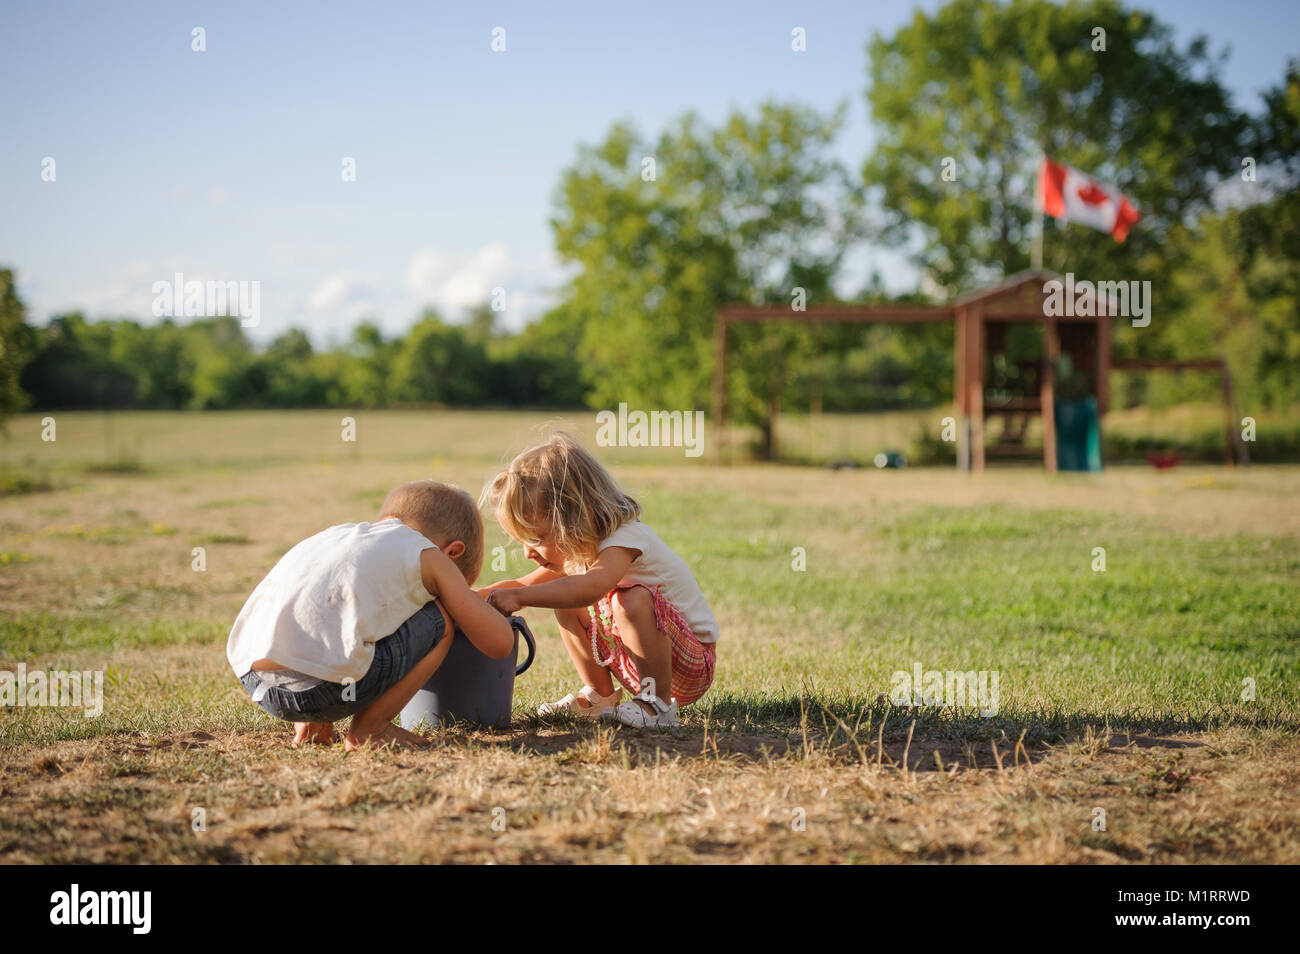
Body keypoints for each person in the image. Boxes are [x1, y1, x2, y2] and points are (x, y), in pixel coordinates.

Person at [227, 480, 512, 749]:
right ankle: (372, 728)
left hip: (257, 682)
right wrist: (462, 602)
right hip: (323, 690)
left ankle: (313, 724)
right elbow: (500, 643)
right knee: (442, 621)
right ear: (453, 552)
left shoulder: (337, 536)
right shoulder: (428, 553)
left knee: (338, 614)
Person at [480, 433, 718, 728]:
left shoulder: (625, 539)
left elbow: (590, 588)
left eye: (536, 538)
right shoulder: (579, 549)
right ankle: (600, 696)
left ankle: (657, 707)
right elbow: (524, 585)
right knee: (561, 597)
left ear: (579, 515)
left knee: (627, 598)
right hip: (636, 665)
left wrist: (520, 599)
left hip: (689, 666)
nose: (528, 552)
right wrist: (472, 596)